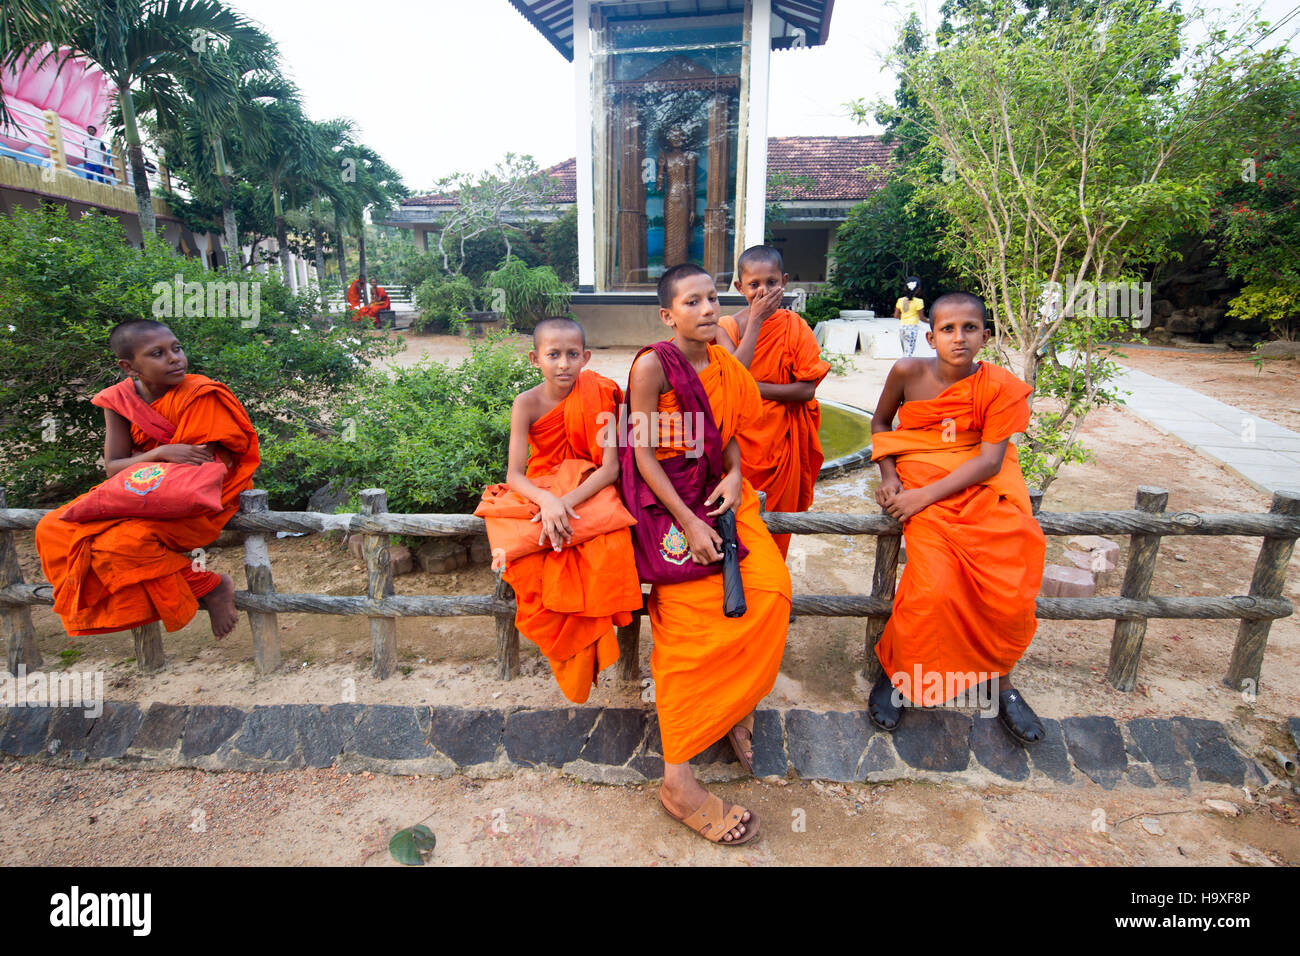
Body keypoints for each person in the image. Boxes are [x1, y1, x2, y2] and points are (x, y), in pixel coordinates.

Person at [627, 263, 792, 845]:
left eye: (711, 298)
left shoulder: (721, 362)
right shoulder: (652, 364)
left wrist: (739, 476)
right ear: (668, 315)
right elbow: (643, 454)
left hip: (721, 496)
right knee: (688, 633)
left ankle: (732, 707)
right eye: (690, 301)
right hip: (671, 507)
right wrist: (689, 521)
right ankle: (677, 781)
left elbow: (728, 437)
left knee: (770, 595)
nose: (705, 308)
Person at [867, 292, 1046, 745]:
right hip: (923, 482)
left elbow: (988, 461)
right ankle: (899, 676)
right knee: (934, 586)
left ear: (986, 336)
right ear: (930, 335)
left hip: (976, 486)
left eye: (970, 328)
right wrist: (890, 477)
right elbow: (881, 424)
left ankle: (1001, 680)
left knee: (1010, 584)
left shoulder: (999, 386)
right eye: (947, 329)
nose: (959, 338)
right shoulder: (908, 373)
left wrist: (920, 497)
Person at [35, 320, 260, 641]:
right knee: (52, 528)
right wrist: (161, 453)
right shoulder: (118, 401)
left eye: (176, 348)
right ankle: (122, 602)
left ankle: (208, 584)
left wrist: (153, 466)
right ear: (129, 367)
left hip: (199, 496)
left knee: (123, 542)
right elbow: (114, 467)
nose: (174, 359)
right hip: (140, 488)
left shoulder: (201, 394)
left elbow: (198, 469)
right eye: (157, 353)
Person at [474, 317, 642, 703]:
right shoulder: (527, 403)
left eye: (571, 354)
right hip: (539, 489)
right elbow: (514, 475)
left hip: (586, 486)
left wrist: (565, 504)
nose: (563, 363)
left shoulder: (600, 395)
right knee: (528, 555)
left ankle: (590, 646)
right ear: (536, 359)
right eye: (553, 355)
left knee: (608, 542)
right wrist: (548, 501)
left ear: (585, 356)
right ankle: (569, 651)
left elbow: (611, 468)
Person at [716, 245, 830, 558]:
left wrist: (749, 387)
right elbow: (731, 382)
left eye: (771, 282)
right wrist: (755, 321)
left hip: (782, 443)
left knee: (776, 531)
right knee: (737, 525)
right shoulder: (727, 327)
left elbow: (806, 390)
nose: (763, 291)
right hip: (740, 445)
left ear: (784, 281)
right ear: (740, 287)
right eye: (754, 285)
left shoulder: (795, 326)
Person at [893, 277, 926, 357]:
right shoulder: (919, 302)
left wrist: (905, 317)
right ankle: (906, 368)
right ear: (918, 289)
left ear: (905, 288)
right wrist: (930, 321)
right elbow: (921, 318)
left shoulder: (901, 300)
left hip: (902, 327)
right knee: (909, 352)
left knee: (905, 351)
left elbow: (896, 315)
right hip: (912, 329)